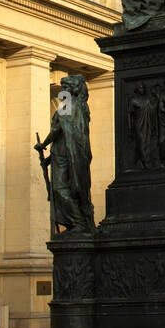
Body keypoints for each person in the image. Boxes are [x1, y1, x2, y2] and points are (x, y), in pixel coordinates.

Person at [35, 74, 95, 233]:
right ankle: (76, 222)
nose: (64, 91)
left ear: (73, 90)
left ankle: (78, 222)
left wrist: (43, 144)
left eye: (67, 88)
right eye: (63, 88)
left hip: (64, 154)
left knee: (60, 189)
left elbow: (57, 130)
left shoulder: (68, 106)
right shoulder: (82, 107)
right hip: (67, 153)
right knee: (69, 188)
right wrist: (48, 159)